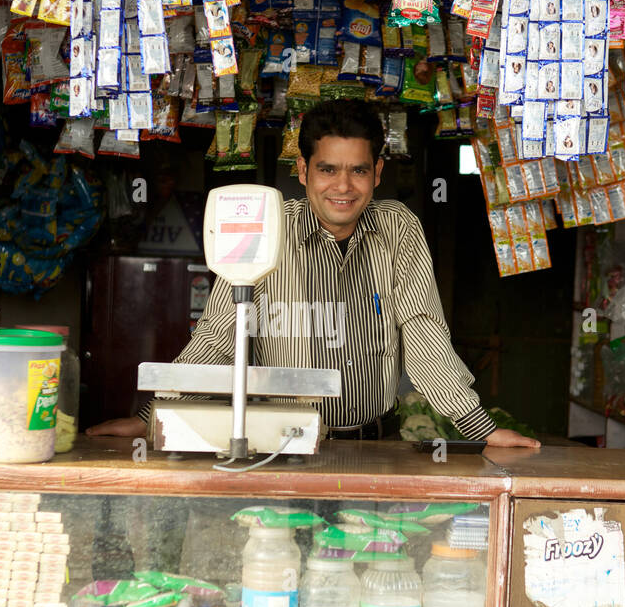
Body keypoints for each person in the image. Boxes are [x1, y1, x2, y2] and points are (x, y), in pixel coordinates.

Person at [88, 99, 539, 449]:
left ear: (377, 172)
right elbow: (219, 339)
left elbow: (423, 333)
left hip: (376, 446)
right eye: (327, 169)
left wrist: (479, 429)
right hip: (281, 445)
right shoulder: (267, 229)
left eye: (358, 170)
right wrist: (151, 417)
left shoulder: (398, 228)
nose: (343, 187)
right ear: (302, 170)